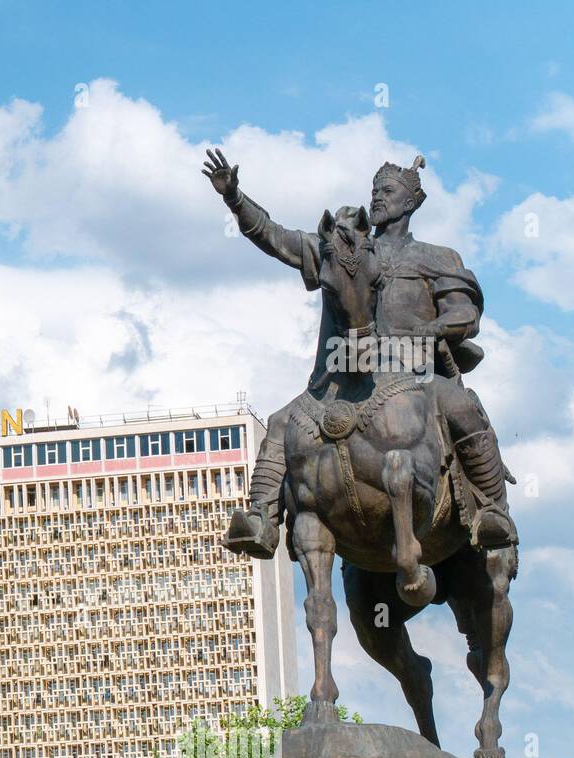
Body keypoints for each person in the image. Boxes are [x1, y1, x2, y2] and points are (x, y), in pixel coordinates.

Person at [201, 148, 517, 558]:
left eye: (387, 190)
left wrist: (433, 327)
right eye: (374, 190)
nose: (377, 197)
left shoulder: (436, 258)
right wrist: (235, 198)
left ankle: (493, 510)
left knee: (460, 406)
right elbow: (276, 237)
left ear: (411, 201)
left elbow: (465, 314)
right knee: (281, 423)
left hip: (415, 374)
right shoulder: (343, 247)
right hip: (343, 372)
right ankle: (262, 518)